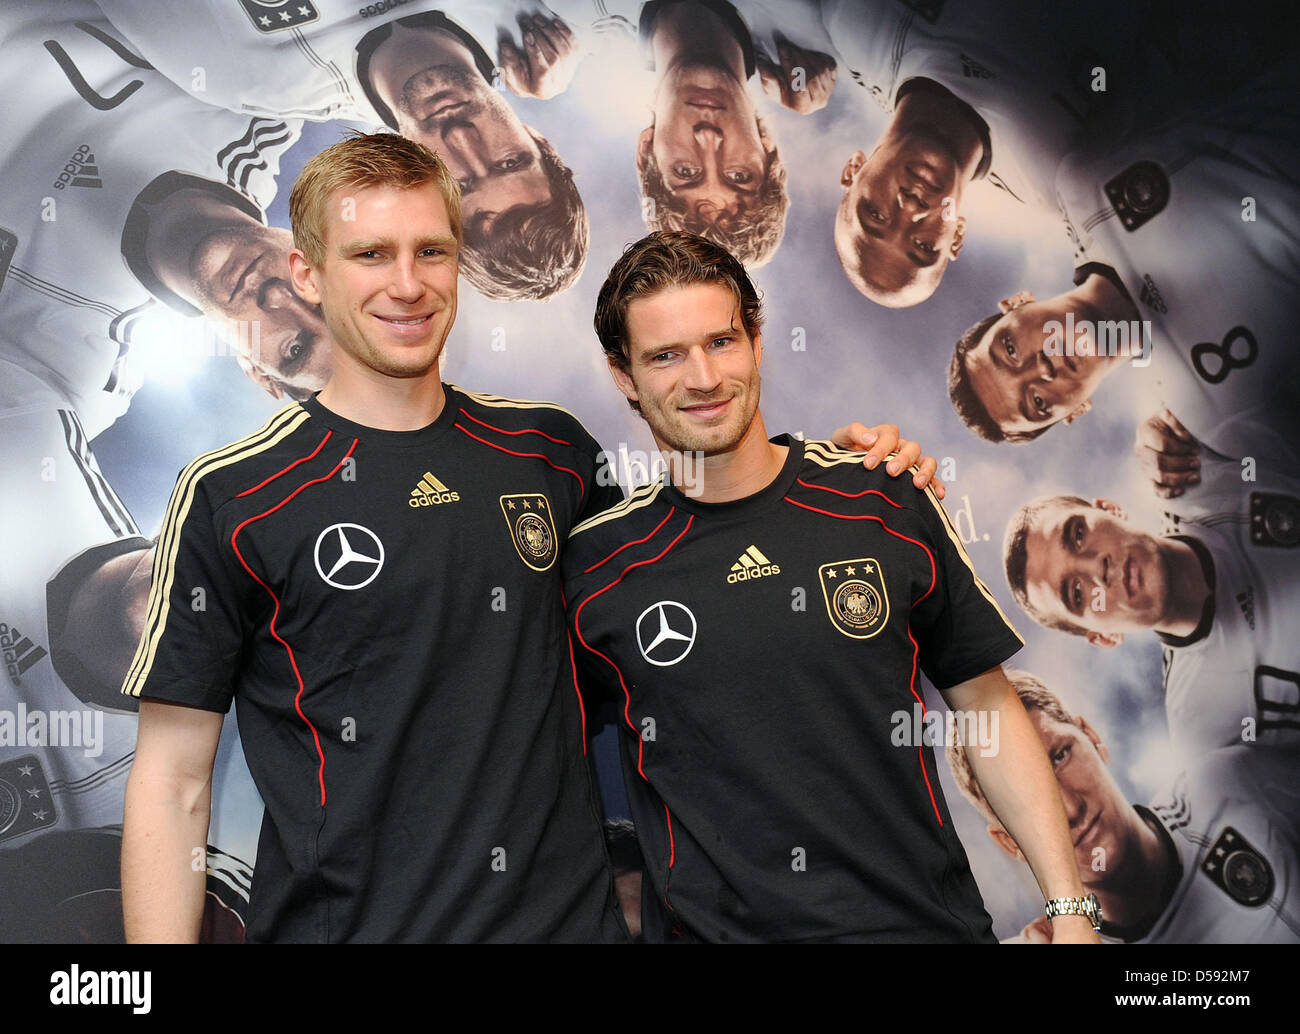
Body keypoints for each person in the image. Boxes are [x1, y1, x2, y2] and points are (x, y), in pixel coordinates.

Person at [118, 134, 932, 943]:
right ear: (309, 271)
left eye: (431, 251)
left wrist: (850, 476)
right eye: (371, 254)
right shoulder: (233, 495)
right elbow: (174, 781)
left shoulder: (550, 452)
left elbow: (693, 580)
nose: (408, 285)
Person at [563, 229, 1099, 943]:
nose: (701, 378)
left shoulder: (882, 498)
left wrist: (1069, 909)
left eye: (720, 342)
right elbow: (531, 757)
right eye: (665, 355)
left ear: (756, 342)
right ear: (624, 376)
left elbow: (987, 705)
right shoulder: (594, 566)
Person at [95, 0, 593, 301]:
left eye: (462, 184)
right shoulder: (539, 18)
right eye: (511, 160)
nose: (463, 137)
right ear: (540, 141)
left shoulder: (249, 74)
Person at [947, 67, 1300, 467]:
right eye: (1038, 402)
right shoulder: (1212, 420)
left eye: (1009, 349)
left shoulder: (1087, 179)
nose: (1041, 369)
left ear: (1017, 301)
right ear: (1075, 412)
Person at [0, 2, 322, 432]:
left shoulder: (73, 373)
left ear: (256, 371)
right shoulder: (264, 97)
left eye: (296, 348)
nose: (280, 298)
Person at [947, 670, 1300, 943]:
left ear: (1093, 737)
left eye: (1060, 756)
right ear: (1010, 843)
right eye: (1022, 797)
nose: (1069, 808)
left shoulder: (1233, 785)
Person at [819, 0, 1119, 308]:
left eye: (876, 215)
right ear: (957, 235)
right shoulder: (1061, 170)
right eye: (923, 246)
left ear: (853, 170)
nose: (910, 209)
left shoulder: (859, 22)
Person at [1002, 472, 1300, 752]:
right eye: (1076, 594)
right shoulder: (1207, 729)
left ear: (1110, 509)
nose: (1096, 567)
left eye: (1078, 534)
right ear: (1105, 637)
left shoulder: (1211, 472)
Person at [627, 0, 837, 266]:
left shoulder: (579, 22)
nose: (709, 138)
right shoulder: (820, 28)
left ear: (646, 149)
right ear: (768, 149)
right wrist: (808, 53)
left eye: (686, 172)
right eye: (738, 176)